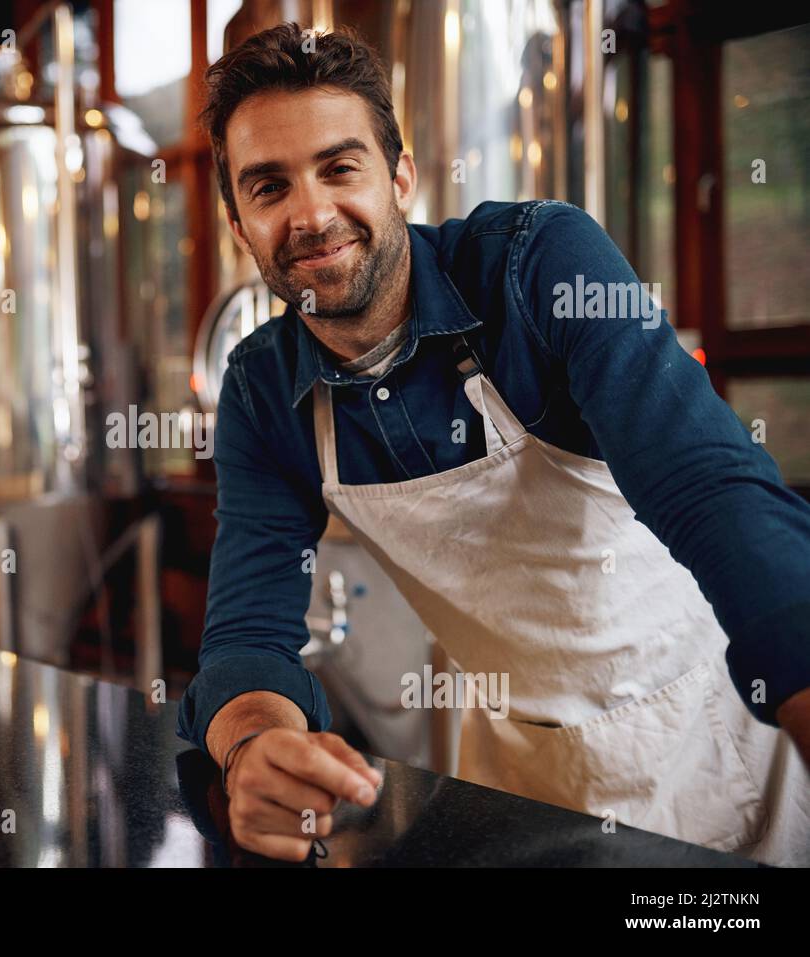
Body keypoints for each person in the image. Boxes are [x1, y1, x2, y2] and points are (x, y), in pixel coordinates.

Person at [177, 22, 810, 866]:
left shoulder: (538, 263)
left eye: (340, 167)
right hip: (518, 780)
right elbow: (248, 632)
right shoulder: (260, 391)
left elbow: (708, 489)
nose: (312, 214)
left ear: (399, 175)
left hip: (716, 738)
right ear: (237, 223)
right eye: (268, 187)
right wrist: (251, 745)